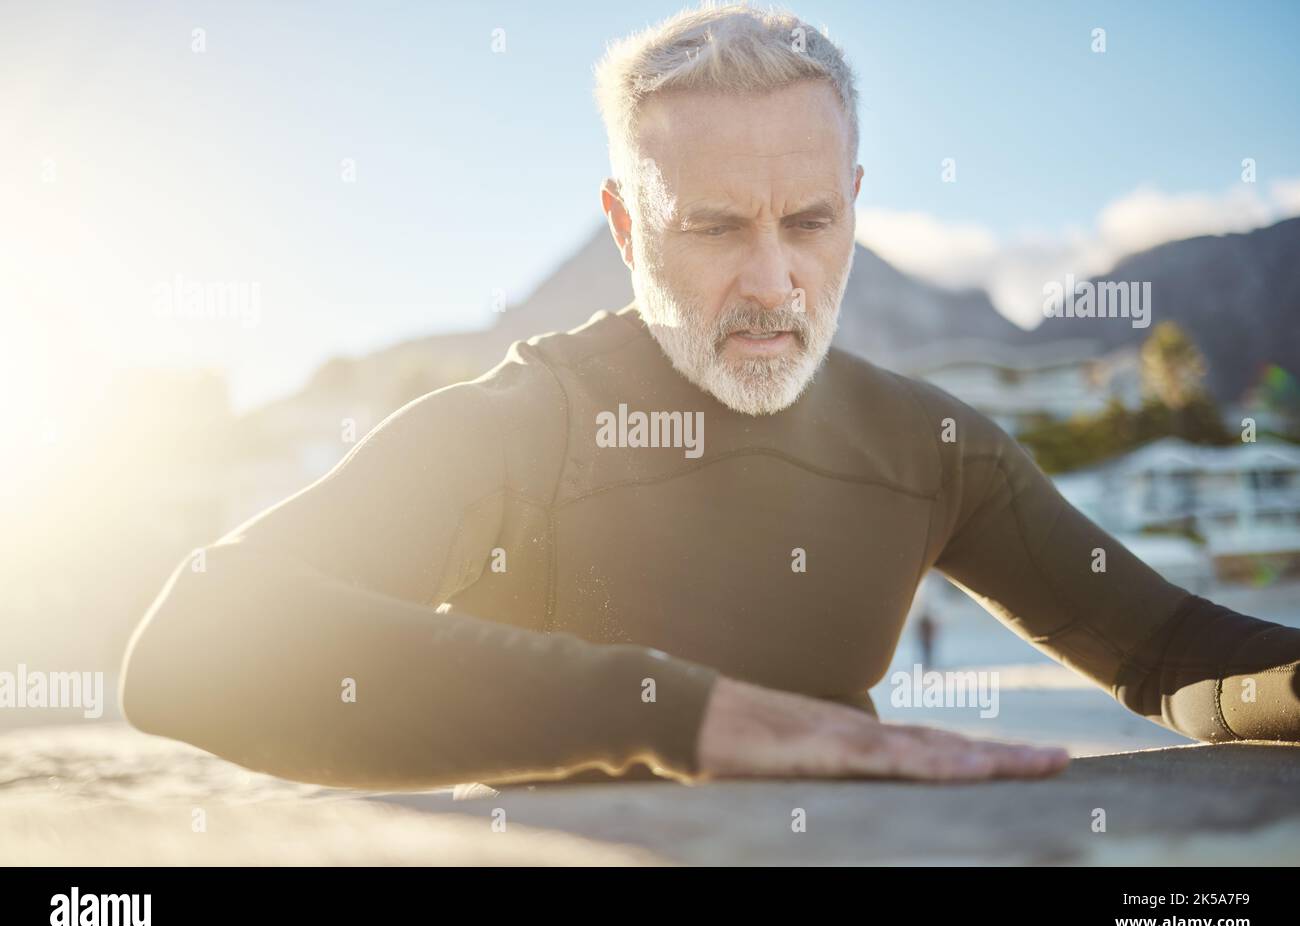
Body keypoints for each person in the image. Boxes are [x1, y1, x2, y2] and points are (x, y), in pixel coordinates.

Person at [120, 4, 1300, 791]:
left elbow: (1168, 654)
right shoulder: (529, 423)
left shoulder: (930, 445)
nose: (773, 282)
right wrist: (670, 711)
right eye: (716, 228)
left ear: (854, 202)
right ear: (627, 226)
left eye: (810, 223)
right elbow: (196, 644)